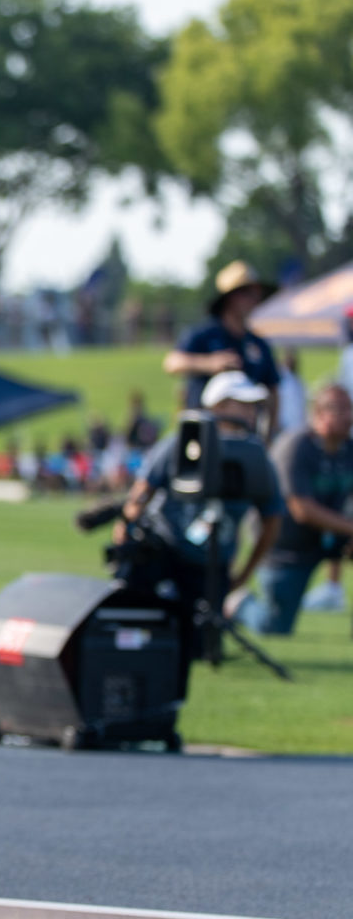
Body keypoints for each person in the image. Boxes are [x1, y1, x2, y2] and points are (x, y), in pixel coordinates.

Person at [115, 370, 285, 661]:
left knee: (198, 648)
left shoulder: (255, 456)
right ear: (217, 406)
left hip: (212, 563)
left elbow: (272, 518)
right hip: (166, 547)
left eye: (253, 405)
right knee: (136, 618)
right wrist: (124, 534)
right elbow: (141, 494)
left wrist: (244, 573)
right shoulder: (179, 442)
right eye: (242, 404)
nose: (250, 412)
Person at [233, 384, 353, 635]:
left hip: (328, 539)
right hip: (286, 547)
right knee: (274, 626)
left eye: (349, 408)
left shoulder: (349, 449)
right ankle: (238, 603)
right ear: (319, 414)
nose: (349, 416)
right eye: (340, 409)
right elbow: (301, 509)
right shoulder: (296, 446)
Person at [164, 260, 281, 437]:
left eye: (256, 293)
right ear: (231, 297)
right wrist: (209, 363)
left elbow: (273, 390)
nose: (254, 299)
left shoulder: (258, 344)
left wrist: (269, 432)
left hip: (245, 433)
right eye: (247, 293)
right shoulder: (205, 335)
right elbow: (172, 363)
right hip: (201, 429)